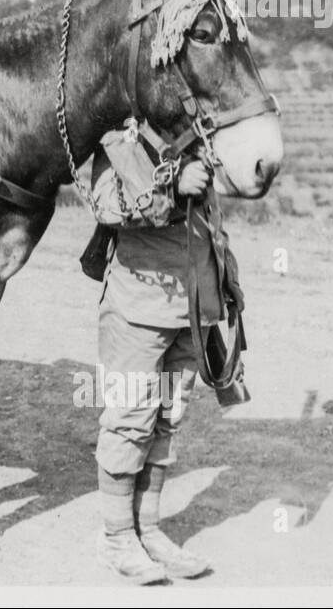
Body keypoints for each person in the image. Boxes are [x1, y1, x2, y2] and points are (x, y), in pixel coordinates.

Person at [85, 123, 243, 584]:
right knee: (130, 418)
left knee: (169, 416)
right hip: (139, 305)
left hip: (195, 303)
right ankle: (116, 537)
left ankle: (147, 529)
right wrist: (173, 188)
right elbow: (106, 205)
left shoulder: (200, 133)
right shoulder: (119, 136)